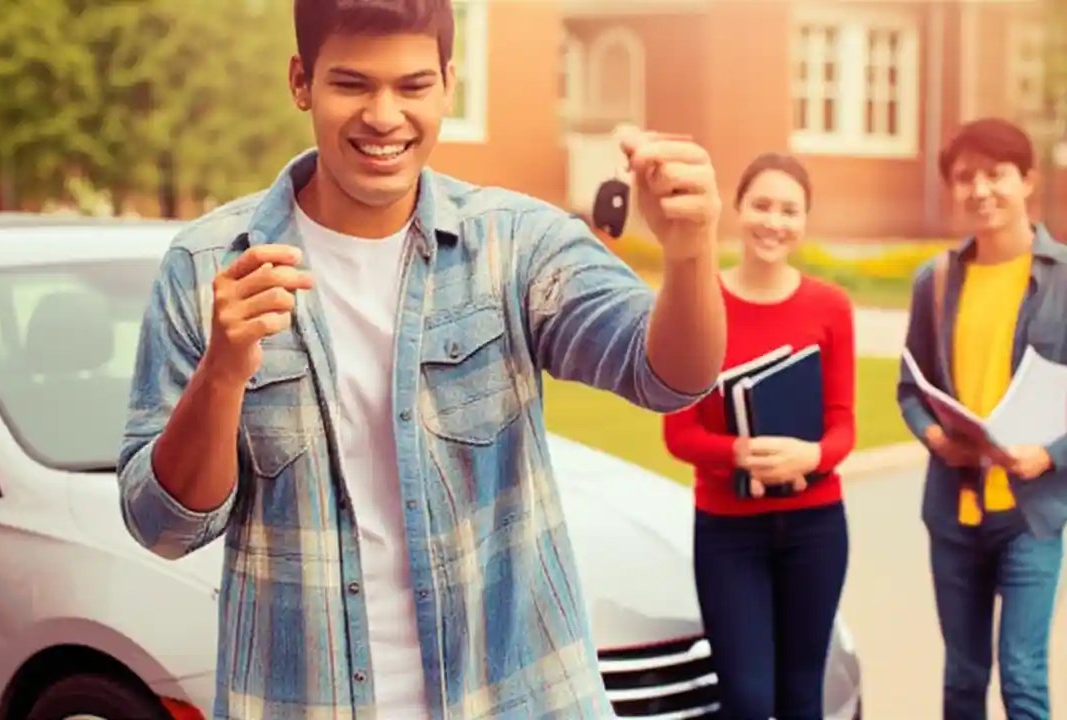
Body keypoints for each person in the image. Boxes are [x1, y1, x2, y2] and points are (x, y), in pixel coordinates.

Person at [116, 1, 728, 717]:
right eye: (352, 84)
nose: (384, 116)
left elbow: (667, 376)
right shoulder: (206, 267)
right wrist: (222, 374)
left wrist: (690, 254)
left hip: (511, 700)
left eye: (412, 87)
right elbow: (163, 527)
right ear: (301, 82)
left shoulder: (515, 243)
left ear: (447, 85)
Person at [661, 152, 856, 719]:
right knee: (747, 700)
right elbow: (679, 434)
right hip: (727, 534)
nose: (775, 221)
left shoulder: (830, 307)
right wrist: (740, 453)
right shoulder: (699, 301)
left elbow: (844, 424)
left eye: (789, 210)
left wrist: (812, 454)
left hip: (815, 528)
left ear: (804, 221)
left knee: (801, 699)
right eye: (762, 205)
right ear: (737, 210)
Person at [897, 117, 1067, 720]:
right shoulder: (935, 280)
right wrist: (934, 435)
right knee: (963, 680)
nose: (980, 190)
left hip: (1030, 512)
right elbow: (909, 387)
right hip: (954, 511)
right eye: (965, 178)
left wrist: (1049, 454)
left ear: (1027, 181)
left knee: (1022, 679)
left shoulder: (1062, 281)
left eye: (995, 175)